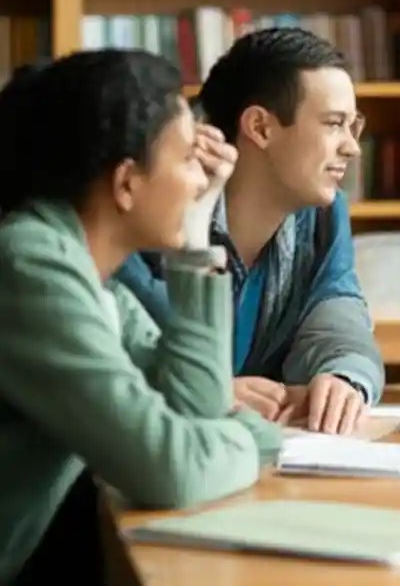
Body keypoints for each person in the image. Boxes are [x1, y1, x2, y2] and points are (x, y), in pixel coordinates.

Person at [0, 50, 281, 584]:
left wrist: (196, 239)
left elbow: (197, 404)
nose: (202, 182)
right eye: (185, 160)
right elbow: (172, 467)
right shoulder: (28, 265)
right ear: (126, 183)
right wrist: (249, 438)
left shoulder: (92, 278)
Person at [114, 28, 384, 435]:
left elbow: (336, 309)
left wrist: (344, 377)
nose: (352, 147)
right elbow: (111, 360)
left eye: (353, 126)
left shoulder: (323, 216)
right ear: (259, 127)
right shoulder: (155, 216)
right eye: (333, 124)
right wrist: (207, 392)